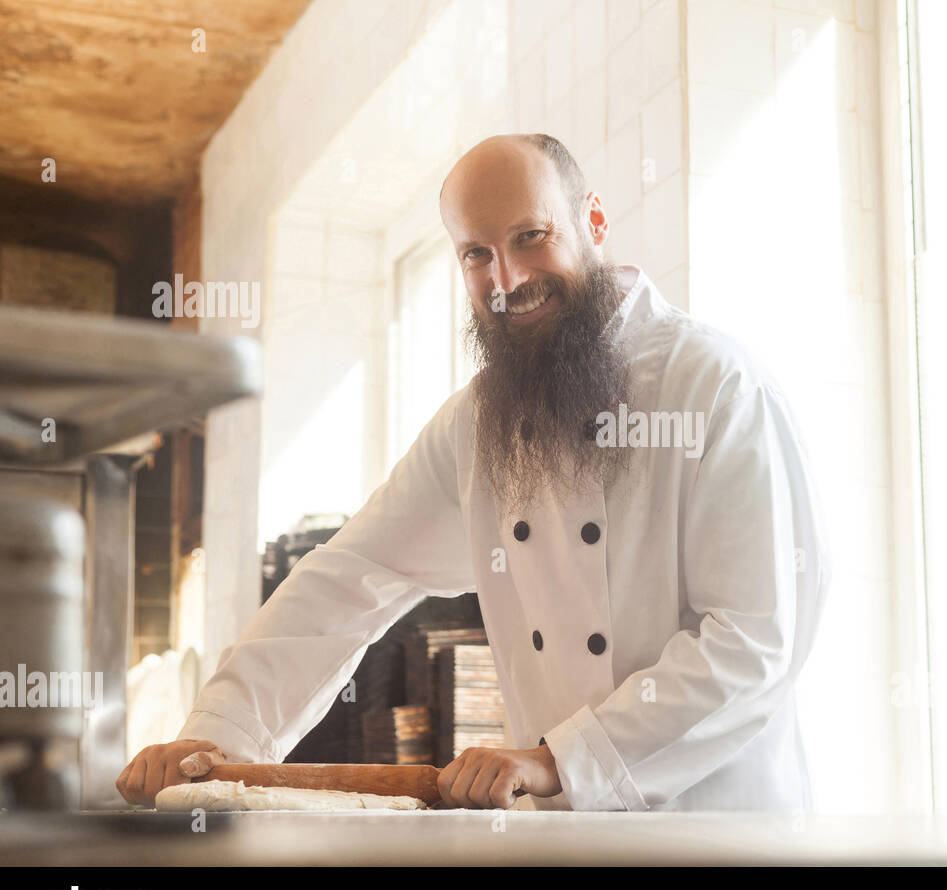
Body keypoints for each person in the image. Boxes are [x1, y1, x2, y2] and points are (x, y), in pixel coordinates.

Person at [117, 133, 830, 811]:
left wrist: (559, 760)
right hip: (567, 835)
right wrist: (214, 739)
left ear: (594, 221)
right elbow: (344, 580)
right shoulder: (476, 426)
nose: (508, 279)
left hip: (720, 831)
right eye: (476, 255)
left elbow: (753, 636)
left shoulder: (716, 387)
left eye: (531, 237)